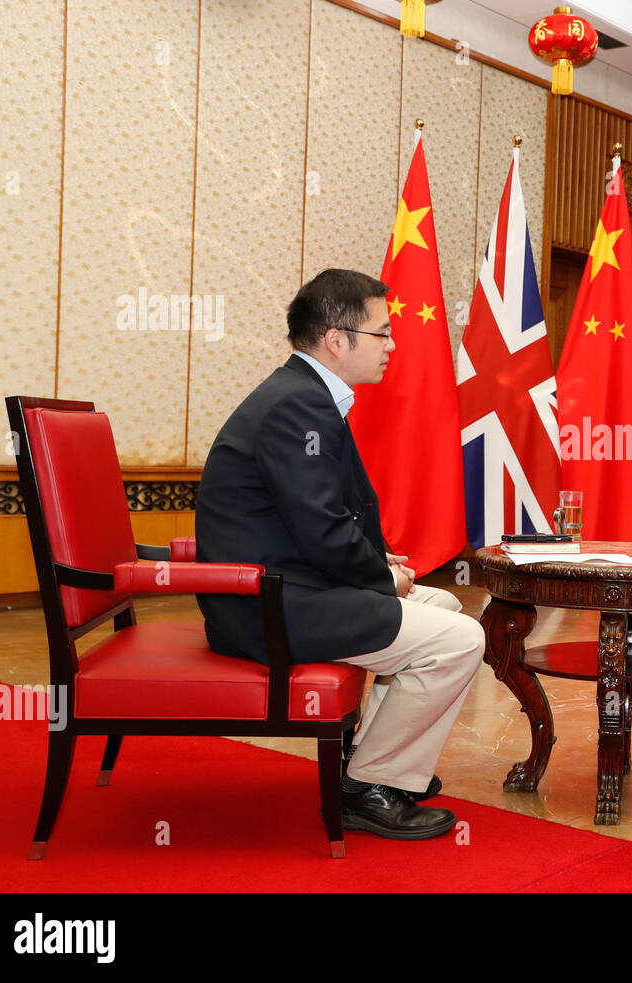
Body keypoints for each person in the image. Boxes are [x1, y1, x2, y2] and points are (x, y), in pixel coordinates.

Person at [195, 268, 485, 840]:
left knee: (446, 611)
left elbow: (326, 518)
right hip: (266, 606)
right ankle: (369, 787)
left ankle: (371, 768)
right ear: (337, 338)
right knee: (461, 641)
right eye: (382, 333)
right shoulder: (296, 407)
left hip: (292, 586)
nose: (393, 345)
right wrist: (383, 578)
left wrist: (385, 567)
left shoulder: (306, 396)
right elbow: (322, 531)